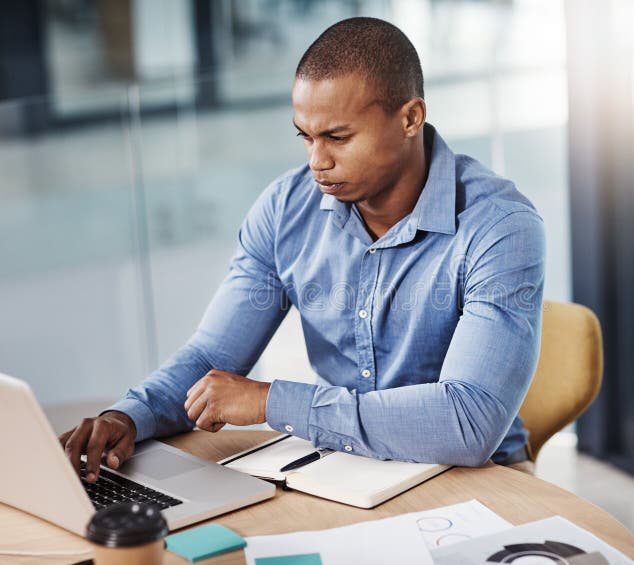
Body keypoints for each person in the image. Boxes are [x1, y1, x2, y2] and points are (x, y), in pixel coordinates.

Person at [60, 17, 545, 483]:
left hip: (477, 475)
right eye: (306, 137)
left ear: (410, 118)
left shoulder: (500, 227)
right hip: (344, 468)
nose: (317, 162)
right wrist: (128, 416)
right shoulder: (286, 210)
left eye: (337, 137)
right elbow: (213, 356)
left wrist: (273, 402)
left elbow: (468, 422)